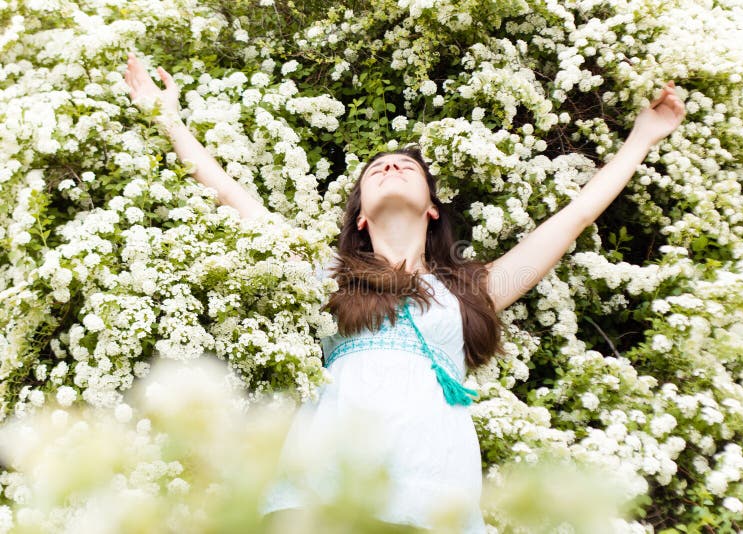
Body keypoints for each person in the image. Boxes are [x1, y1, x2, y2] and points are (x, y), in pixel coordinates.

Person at [124, 51, 686, 532]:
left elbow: (572, 222)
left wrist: (642, 136)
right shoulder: (327, 275)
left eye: (405, 167)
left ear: (433, 208)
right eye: (377, 170)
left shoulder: (474, 289)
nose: (391, 166)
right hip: (327, 488)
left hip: (433, 490)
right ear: (361, 218)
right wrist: (168, 118)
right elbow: (229, 194)